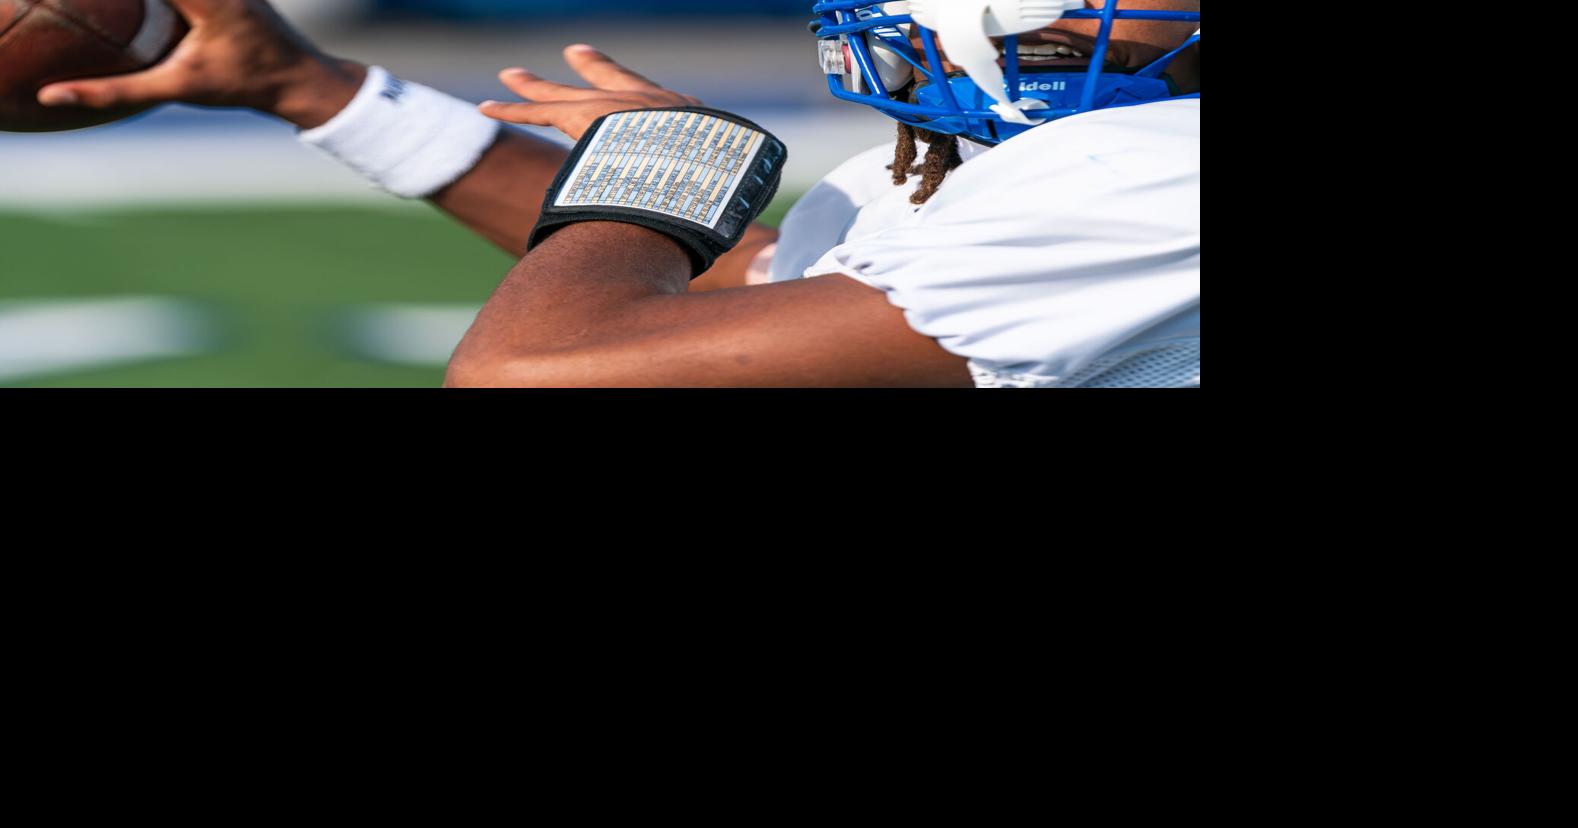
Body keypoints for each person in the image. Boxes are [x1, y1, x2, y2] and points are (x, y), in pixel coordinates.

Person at [38, 0, 1200, 388]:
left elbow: (530, 373)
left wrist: (663, 169)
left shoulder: (1156, 170)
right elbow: (762, 299)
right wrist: (318, 90)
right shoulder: (1047, 172)